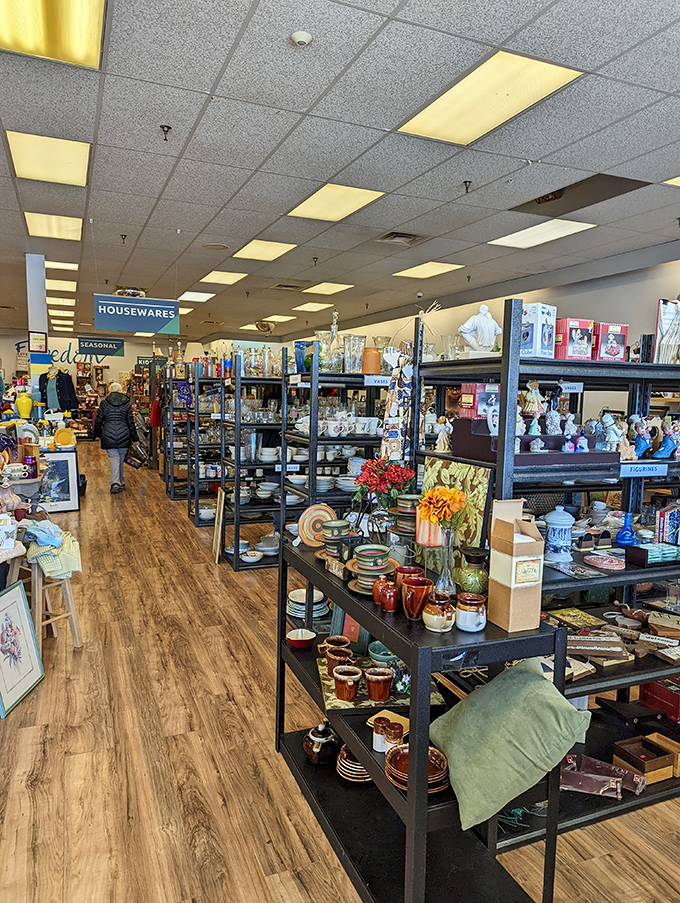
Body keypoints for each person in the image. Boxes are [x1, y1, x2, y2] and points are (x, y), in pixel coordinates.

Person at [93, 382, 138, 494]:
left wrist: (96, 434)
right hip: (124, 434)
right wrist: (135, 438)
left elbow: (98, 420)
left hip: (108, 434)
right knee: (120, 459)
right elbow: (131, 423)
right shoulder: (127, 404)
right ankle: (120, 481)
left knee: (114, 459)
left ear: (110, 391)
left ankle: (115, 482)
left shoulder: (104, 403)